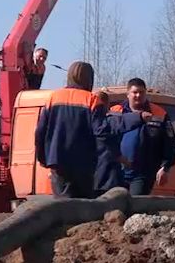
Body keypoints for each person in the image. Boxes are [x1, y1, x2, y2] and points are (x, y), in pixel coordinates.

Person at [35, 61, 142, 198]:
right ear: (89, 79)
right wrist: (135, 119)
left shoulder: (52, 98)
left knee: (62, 206)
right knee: (83, 208)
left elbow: (40, 132)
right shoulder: (92, 100)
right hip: (83, 163)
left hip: (58, 162)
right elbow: (102, 131)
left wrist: (44, 158)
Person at [110, 78, 175, 195]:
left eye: (141, 92)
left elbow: (169, 143)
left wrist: (165, 167)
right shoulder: (115, 112)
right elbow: (104, 138)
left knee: (135, 206)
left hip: (143, 172)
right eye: (135, 92)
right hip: (116, 171)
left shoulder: (158, 113)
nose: (138, 95)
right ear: (128, 94)